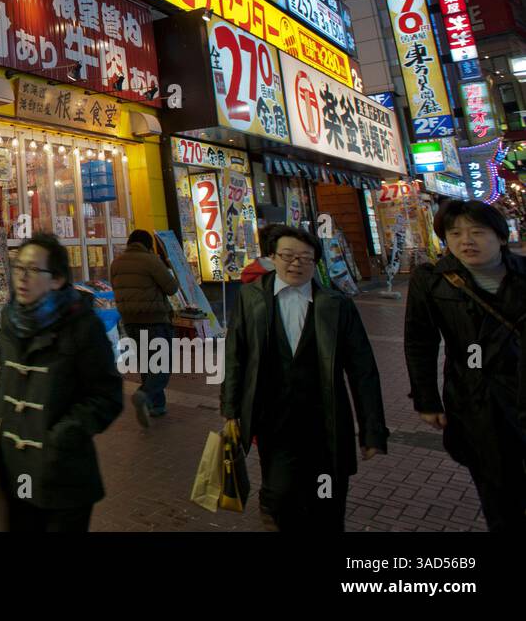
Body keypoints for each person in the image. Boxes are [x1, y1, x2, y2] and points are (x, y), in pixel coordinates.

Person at [221, 224, 387, 531]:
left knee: (326, 503)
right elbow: (236, 356)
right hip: (274, 421)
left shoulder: (336, 305)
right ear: (272, 257)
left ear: (315, 262)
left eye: (305, 258)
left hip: (325, 421)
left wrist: (372, 430)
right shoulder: (251, 298)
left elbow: (363, 370)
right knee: (282, 498)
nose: (296, 263)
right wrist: (230, 410)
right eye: (287, 255)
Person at [404, 199, 525, 531]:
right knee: (497, 494)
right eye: (454, 233)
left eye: (477, 232)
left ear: (501, 236)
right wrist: (426, 399)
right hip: (474, 400)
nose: (465, 241)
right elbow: (420, 341)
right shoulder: (432, 280)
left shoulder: (523, 274)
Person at [0, 233, 123, 532]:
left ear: (57, 279)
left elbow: (107, 395)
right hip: (17, 471)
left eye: (33, 270)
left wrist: (61, 437)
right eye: (17, 268)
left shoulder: (81, 325)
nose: (22, 278)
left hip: (63, 478)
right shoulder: (10, 321)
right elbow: (6, 381)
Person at [109, 229, 179, 427]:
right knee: (162, 366)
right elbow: (171, 287)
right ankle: (144, 394)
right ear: (147, 245)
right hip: (154, 319)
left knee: (147, 364)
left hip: (130, 321)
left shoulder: (116, 263)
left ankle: (157, 405)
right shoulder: (150, 260)